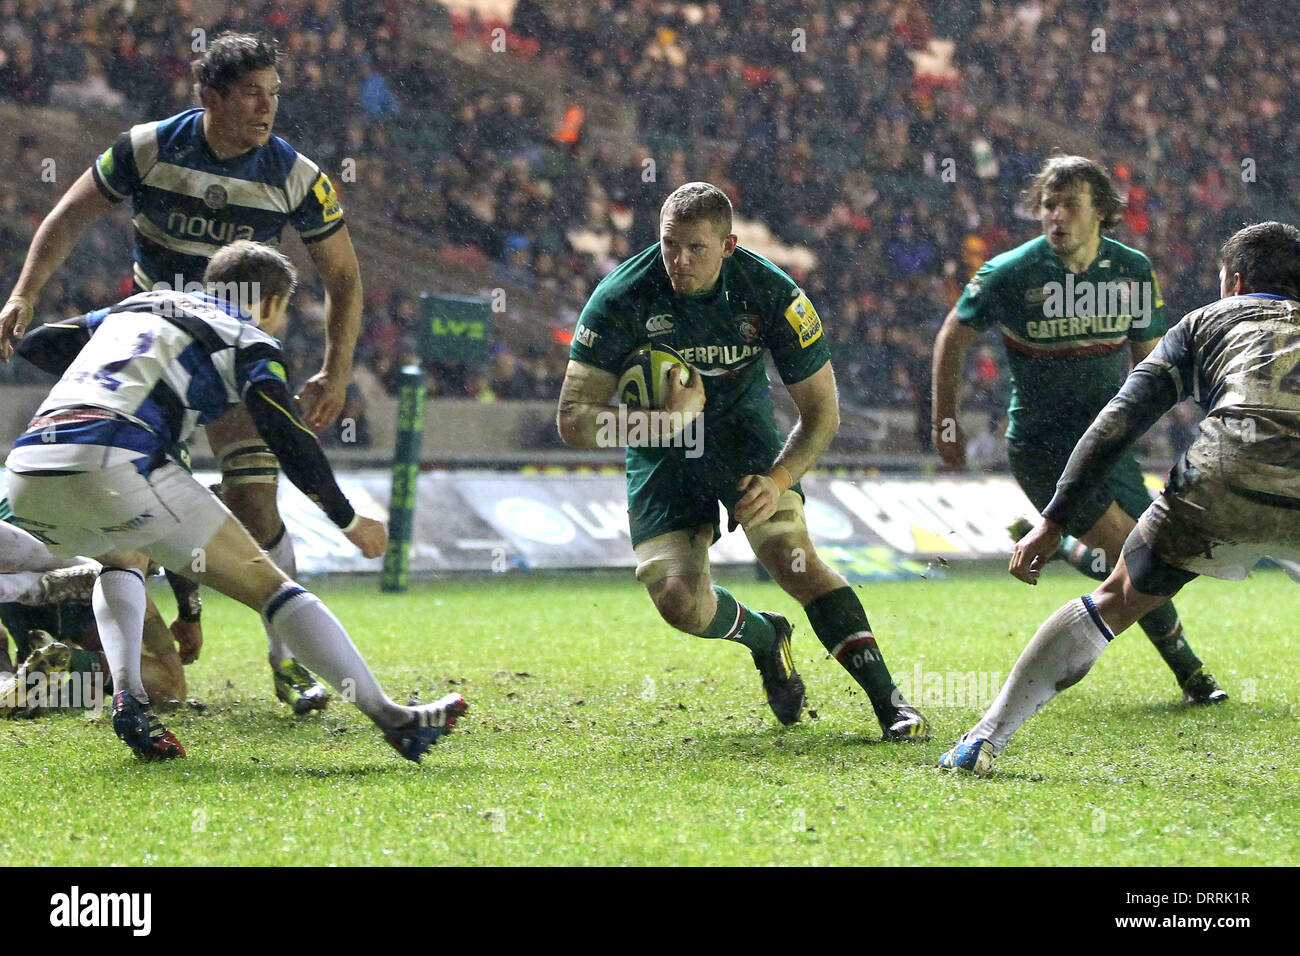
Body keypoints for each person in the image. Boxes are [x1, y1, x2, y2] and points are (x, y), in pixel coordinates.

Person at [0, 32, 364, 714]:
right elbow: (68, 215)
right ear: (210, 97)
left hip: (231, 359)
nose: (266, 108)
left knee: (255, 504)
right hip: (148, 361)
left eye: (274, 94)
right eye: (251, 94)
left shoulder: (295, 174)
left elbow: (343, 277)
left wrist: (334, 370)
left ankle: (288, 666)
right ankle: (120, 671)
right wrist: (23, 294)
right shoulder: (148, 147)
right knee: (126, 517)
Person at [4, 240, 465, 762]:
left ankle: (129, 701)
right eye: (283, 313)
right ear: (270, 302)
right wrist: (348, 518)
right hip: (116, 458)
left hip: (29, 473)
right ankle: (394, 718)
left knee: (121, 554)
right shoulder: (246, 337)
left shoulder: (142, 304)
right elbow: (284, 431)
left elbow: (40, 343)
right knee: (271, 588)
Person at [557, 182, 928, 740]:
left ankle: (891, 704)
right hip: (662, 452)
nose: (679, 261)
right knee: (680, 603)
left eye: (696, 249)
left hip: (744, 438)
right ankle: (764, 638)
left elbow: (822, 414)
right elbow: (573, 421)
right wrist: (658, 424)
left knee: (791, 556)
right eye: (669, 245)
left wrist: (779, 481)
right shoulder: (621, 297)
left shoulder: (771, 293)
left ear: (729, 245)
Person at [938, 221, 1300, 775]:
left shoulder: (1204, 321)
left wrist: (1053, 520)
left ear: (1234, 281)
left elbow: (1117, 422)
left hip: (1221, 475)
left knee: (1117, 597)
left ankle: (983, 741)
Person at [931, 155, 1226, 704]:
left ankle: (1060, 545)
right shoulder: (1010, 273)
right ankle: (1192, 674)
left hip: (1110, 443)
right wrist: (944, 418)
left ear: (1102, 214)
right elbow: (953, 337)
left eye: (1070, 205)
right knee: (1127, 548)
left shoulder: (1131, 270)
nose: (1056, 216)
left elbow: (1149, 356)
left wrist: (1160, 416)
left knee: (1147, 552)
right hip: (1043, 447)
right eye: (1048, 205)